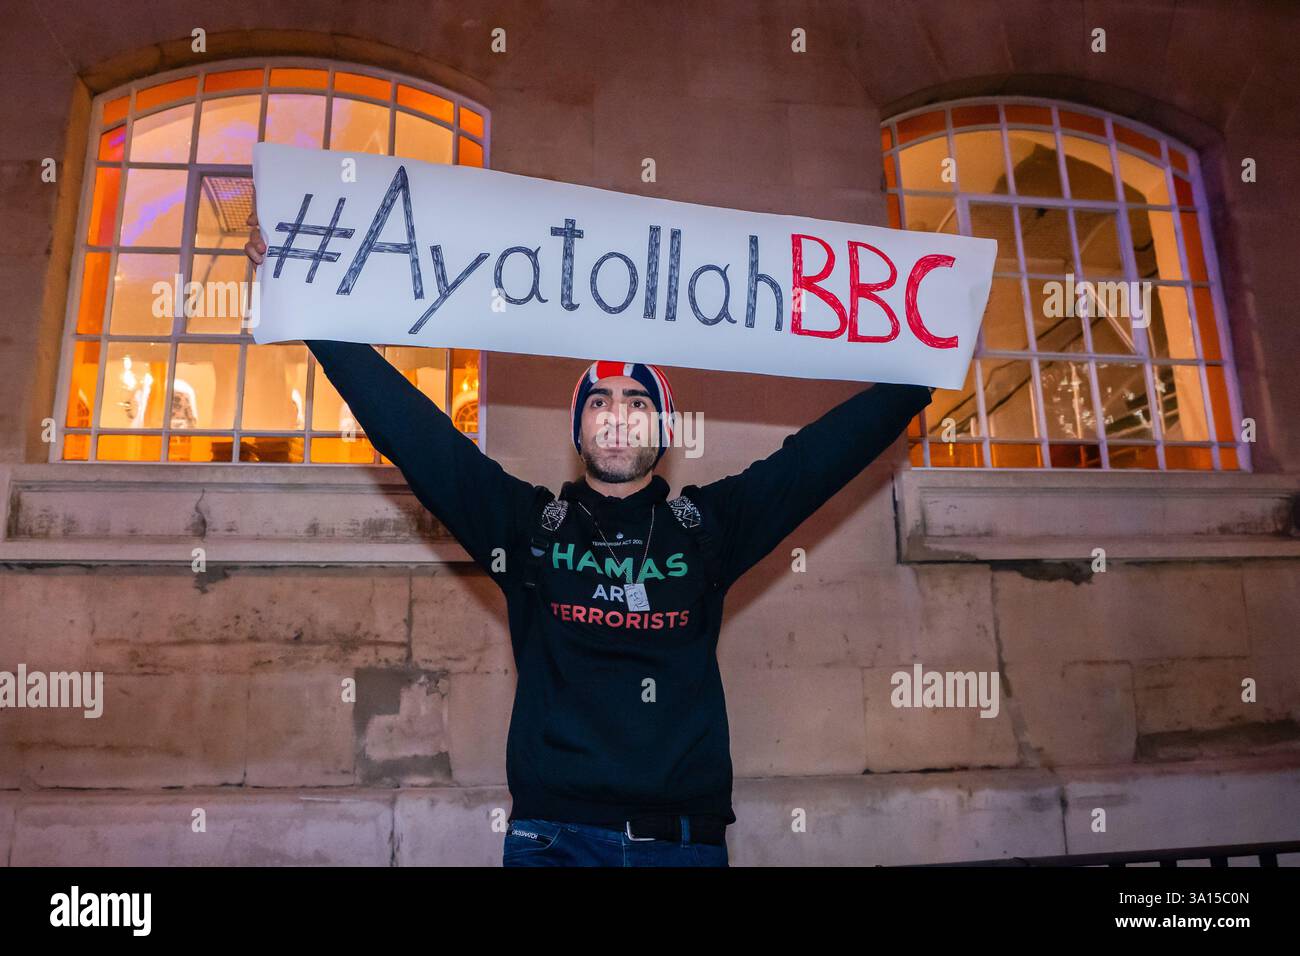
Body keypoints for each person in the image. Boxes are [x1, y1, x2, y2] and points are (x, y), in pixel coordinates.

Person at [245, 210, 933, 867]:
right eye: (599, 401)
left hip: (682, 843)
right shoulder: (529, 528)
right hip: (555, 839)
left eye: (638, 403)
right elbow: (418, 438)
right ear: (578, 430)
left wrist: (923, 370)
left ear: (662, 432)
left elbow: (817, 460)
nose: (617, 416)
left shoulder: (707, 528)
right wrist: (309, 308)